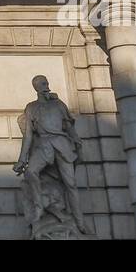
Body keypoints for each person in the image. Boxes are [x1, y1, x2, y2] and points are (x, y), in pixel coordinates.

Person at [14, 75, 89, 236]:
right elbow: (28, 135)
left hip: (62, 145)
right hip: (44, 146)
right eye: (42, 84)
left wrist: (78, 145)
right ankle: (39, 207)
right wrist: (22, 159)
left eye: (46, 83)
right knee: (30, 172)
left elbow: (69, 128)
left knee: (71, 184)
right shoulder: (31, 107)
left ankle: (80, 222)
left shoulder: (59, 104)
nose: (46, 86)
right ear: (36, 88)